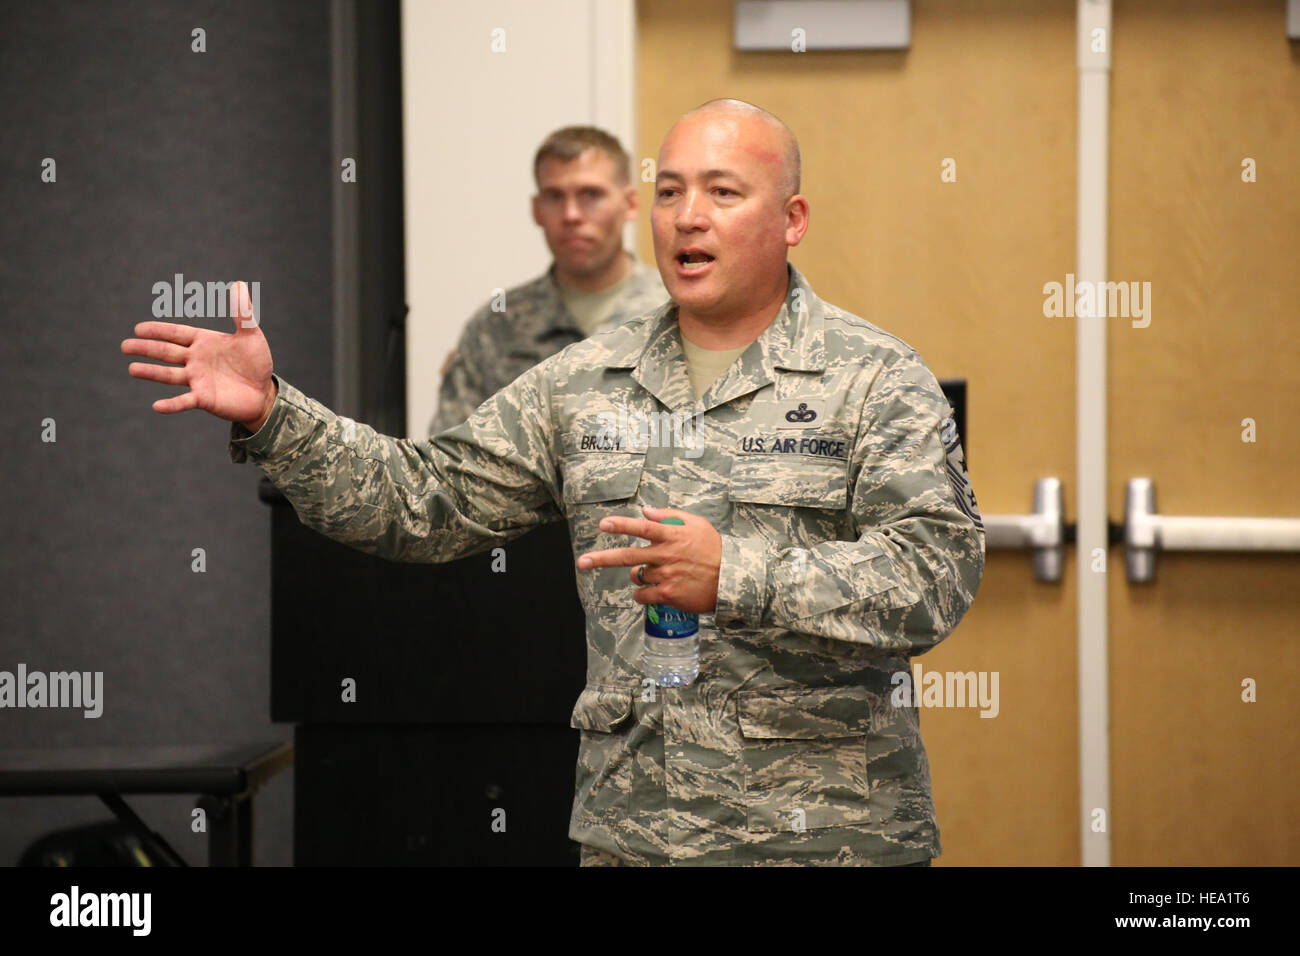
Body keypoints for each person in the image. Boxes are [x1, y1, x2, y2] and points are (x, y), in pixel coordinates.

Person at [121, 98, 984, 866]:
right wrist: (274, 412)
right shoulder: (586, 378)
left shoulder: (874, 378)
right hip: (634, 834)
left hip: (830, 838)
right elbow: (426, 499)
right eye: (674, 191)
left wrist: (738, 574)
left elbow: (934, 577)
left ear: (791, 218)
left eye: (724, 193)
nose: (690, 218)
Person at [430, 125, 666, 434]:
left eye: (590, 195)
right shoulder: (496, 326)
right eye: (555, 196)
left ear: (631, 204)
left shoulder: (673, 313)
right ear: (536, 210)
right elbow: (452, 460)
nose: (571, 215)